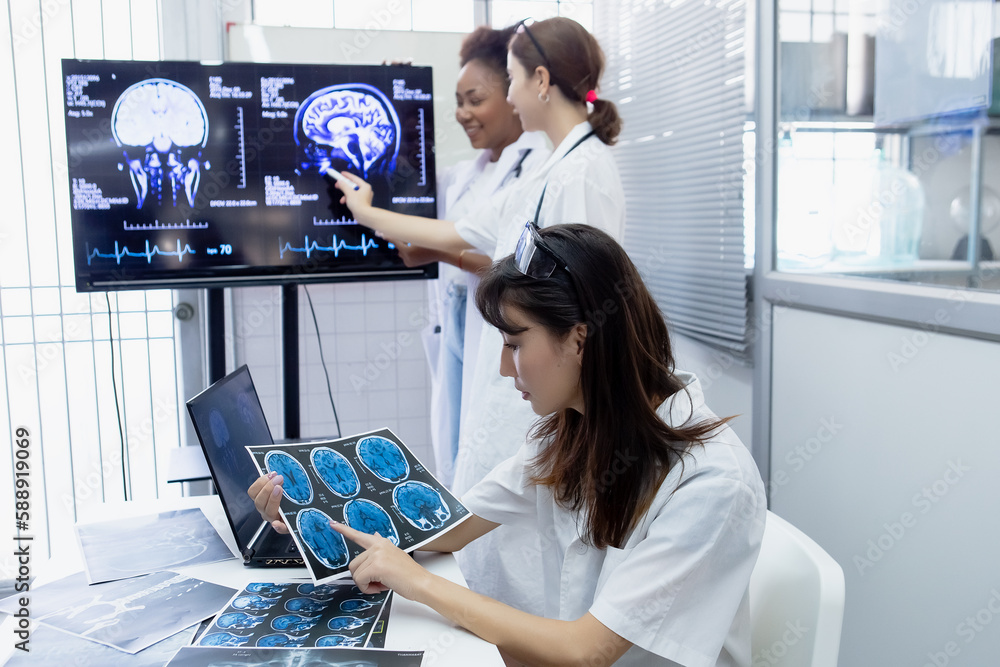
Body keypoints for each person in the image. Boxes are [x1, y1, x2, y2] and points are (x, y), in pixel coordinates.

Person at [250, 224, 767, 666]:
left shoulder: (710, 480)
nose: (503, 368)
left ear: (580, 339)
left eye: (515, 344)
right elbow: (449, 529)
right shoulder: (574, 430)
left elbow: (588, 650)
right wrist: (310, 516)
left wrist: (417, 583)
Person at [331, 17, 627, 613]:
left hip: (547, 384)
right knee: (489, 525)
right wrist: (367, 213)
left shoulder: (583, 171)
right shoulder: (549, 166)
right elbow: (459, 232)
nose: (512, 95)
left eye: (511, 81)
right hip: (522, 381)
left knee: (526, 544)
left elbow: (588, 296)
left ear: (540, 80)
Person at [413, 25, 550, 488]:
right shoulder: (469, 173)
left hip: (497, 329)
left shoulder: (536, 169)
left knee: (489, 466)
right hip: (457, 322)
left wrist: (439, 250)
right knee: (455, 453)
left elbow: (516, 266)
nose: (462, 114)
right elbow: (414, 194)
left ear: (514, 92)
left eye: (475, 99)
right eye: (458, 101)